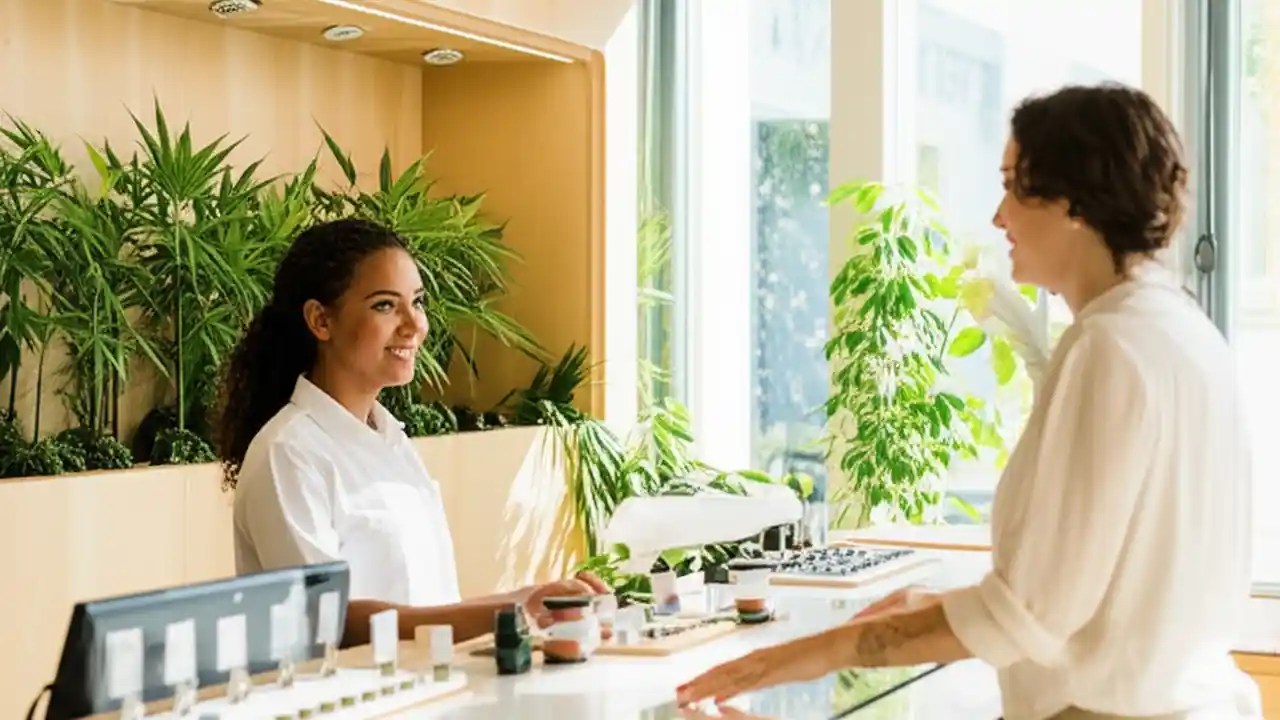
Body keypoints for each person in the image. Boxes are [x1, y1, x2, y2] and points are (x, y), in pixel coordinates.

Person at [676, 84, 1261, 719]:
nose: (998, 215)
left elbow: (1029, 617)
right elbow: (1109, 583)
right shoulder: (1181, 329)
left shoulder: (1110, 348)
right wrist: (939, 610)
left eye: (1014, 185)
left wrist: (797, 658)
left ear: (1075, 202)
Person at [216, 217, 607, 648]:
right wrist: (508, 611)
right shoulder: (287, 452)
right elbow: (330, 617)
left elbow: (430, 604)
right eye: (385, 305)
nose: (414, 324)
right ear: (320, 320)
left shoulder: (391, 440)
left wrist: (537, 599)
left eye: (417, 302)